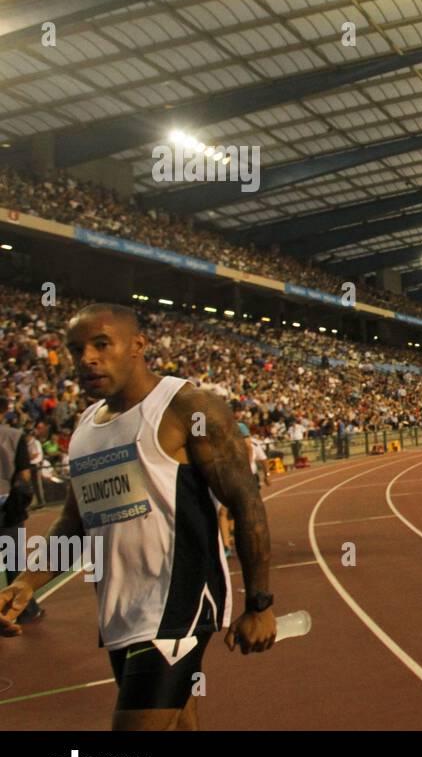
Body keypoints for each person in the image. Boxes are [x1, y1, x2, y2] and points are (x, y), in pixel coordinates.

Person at [0, 304, 277, 730]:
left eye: (101, 344)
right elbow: (75, 522)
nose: (87, 358)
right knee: (180, 724)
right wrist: (25, 582)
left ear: (138, 346)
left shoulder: (187, 407)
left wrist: (259, 604)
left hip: (178, 605)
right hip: (120, 612)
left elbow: (246, 502)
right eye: (76, 350)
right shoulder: (87, 425)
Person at [0, 399, 42, 629]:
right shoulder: (14, 436)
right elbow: (24, 474)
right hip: (8, 507)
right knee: (15, 561)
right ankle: (26, 610)